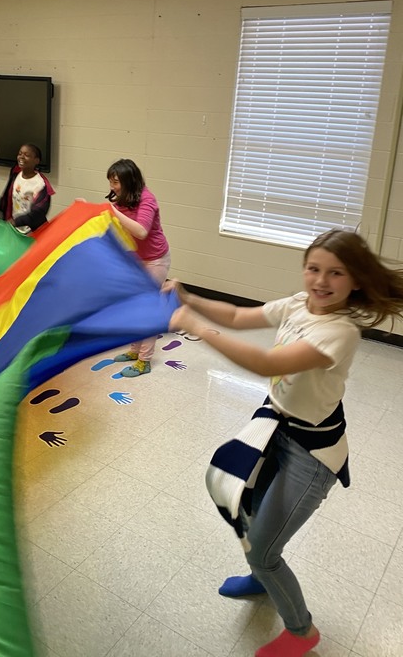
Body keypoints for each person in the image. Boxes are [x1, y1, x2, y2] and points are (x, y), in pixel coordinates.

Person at [166, 229, 403, 657]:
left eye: (336, 273)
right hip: (273, 425)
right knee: (247, 506)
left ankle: (300, 631)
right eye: (314, 268)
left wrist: (194, 326)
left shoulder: (341, 331)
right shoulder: (297, 304)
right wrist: (189, 298)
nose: (321, 280)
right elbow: (239, 318)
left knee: (265, 548)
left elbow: (266, 362)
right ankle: (262, 580)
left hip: (311, 455)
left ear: (356, 282)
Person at [106, 158, 171, 378]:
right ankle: (135, 350)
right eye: (111, 182)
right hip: (135, 259)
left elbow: (141, 231)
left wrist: (113, 212)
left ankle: (145, 360)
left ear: (129, 180)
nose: (112, 187)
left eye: (116, 182)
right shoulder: (122, 198)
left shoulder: (147, 199)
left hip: (155, 260)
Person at [0, 143, 54, 234]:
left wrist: (16, 222)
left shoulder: (41, 184)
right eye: (20, 154)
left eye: (27, 155)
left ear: (36, 160)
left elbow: (38, 213)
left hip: (31, 233)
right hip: (14, 231)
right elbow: (6, 199)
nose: (21, 157)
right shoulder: (16, 175)